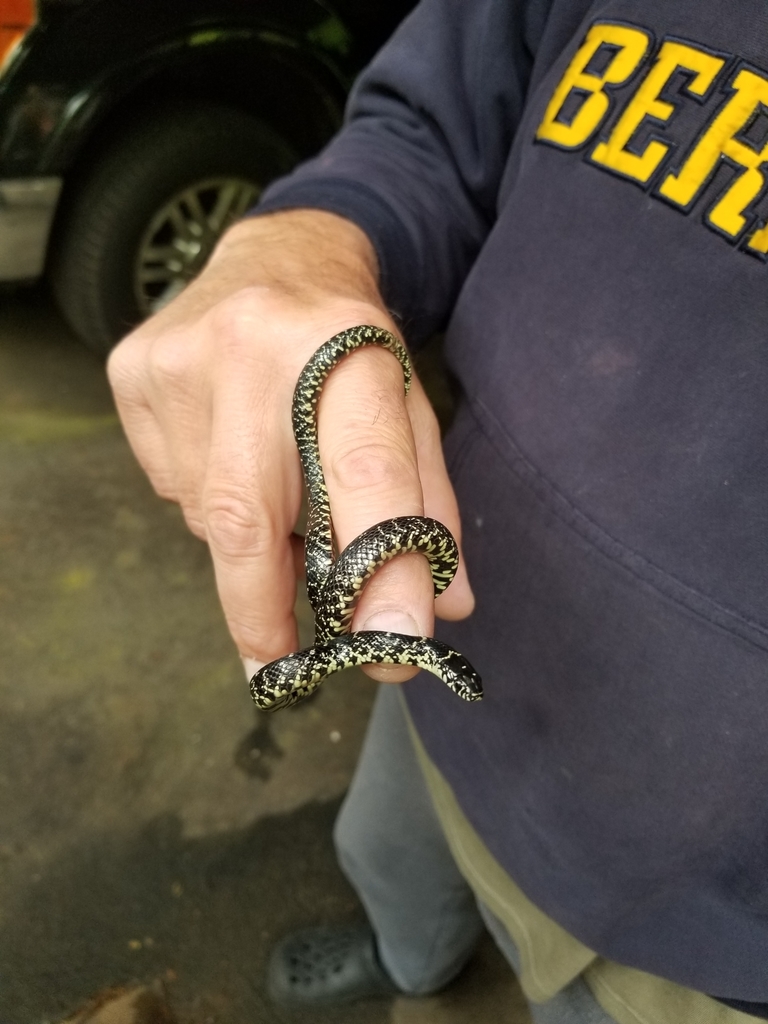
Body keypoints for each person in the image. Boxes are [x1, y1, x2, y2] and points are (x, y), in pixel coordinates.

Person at [107, 1, 768, 1021]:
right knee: (388, 857)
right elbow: (427, 125)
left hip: (692, 926)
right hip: (442, 664)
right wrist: (308, 243)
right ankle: (410, 955)